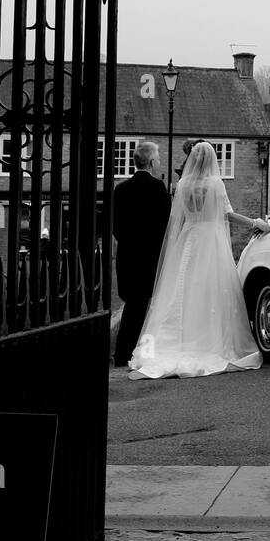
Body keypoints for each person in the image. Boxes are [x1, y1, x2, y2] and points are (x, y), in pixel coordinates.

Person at [129, 140, 270, 378]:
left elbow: (178, 219)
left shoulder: (183, 183)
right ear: (212, 161)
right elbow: (228, 215)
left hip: (189, 238)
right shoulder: (215, 184)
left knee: (182, 289)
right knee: (211, 289)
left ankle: (175, 342)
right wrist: (255, 223)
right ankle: (208, 341)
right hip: (210, 240)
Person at [112, 141, 170, 370]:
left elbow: (116, 226)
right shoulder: (157, 187)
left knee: (133, 304)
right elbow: (165, 224)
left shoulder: (121, 189)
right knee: (142, 308)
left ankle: (124, 353)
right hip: (149, 257)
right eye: (158, 157)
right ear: (153, 161)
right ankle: (133, 354)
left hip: (127, 255)